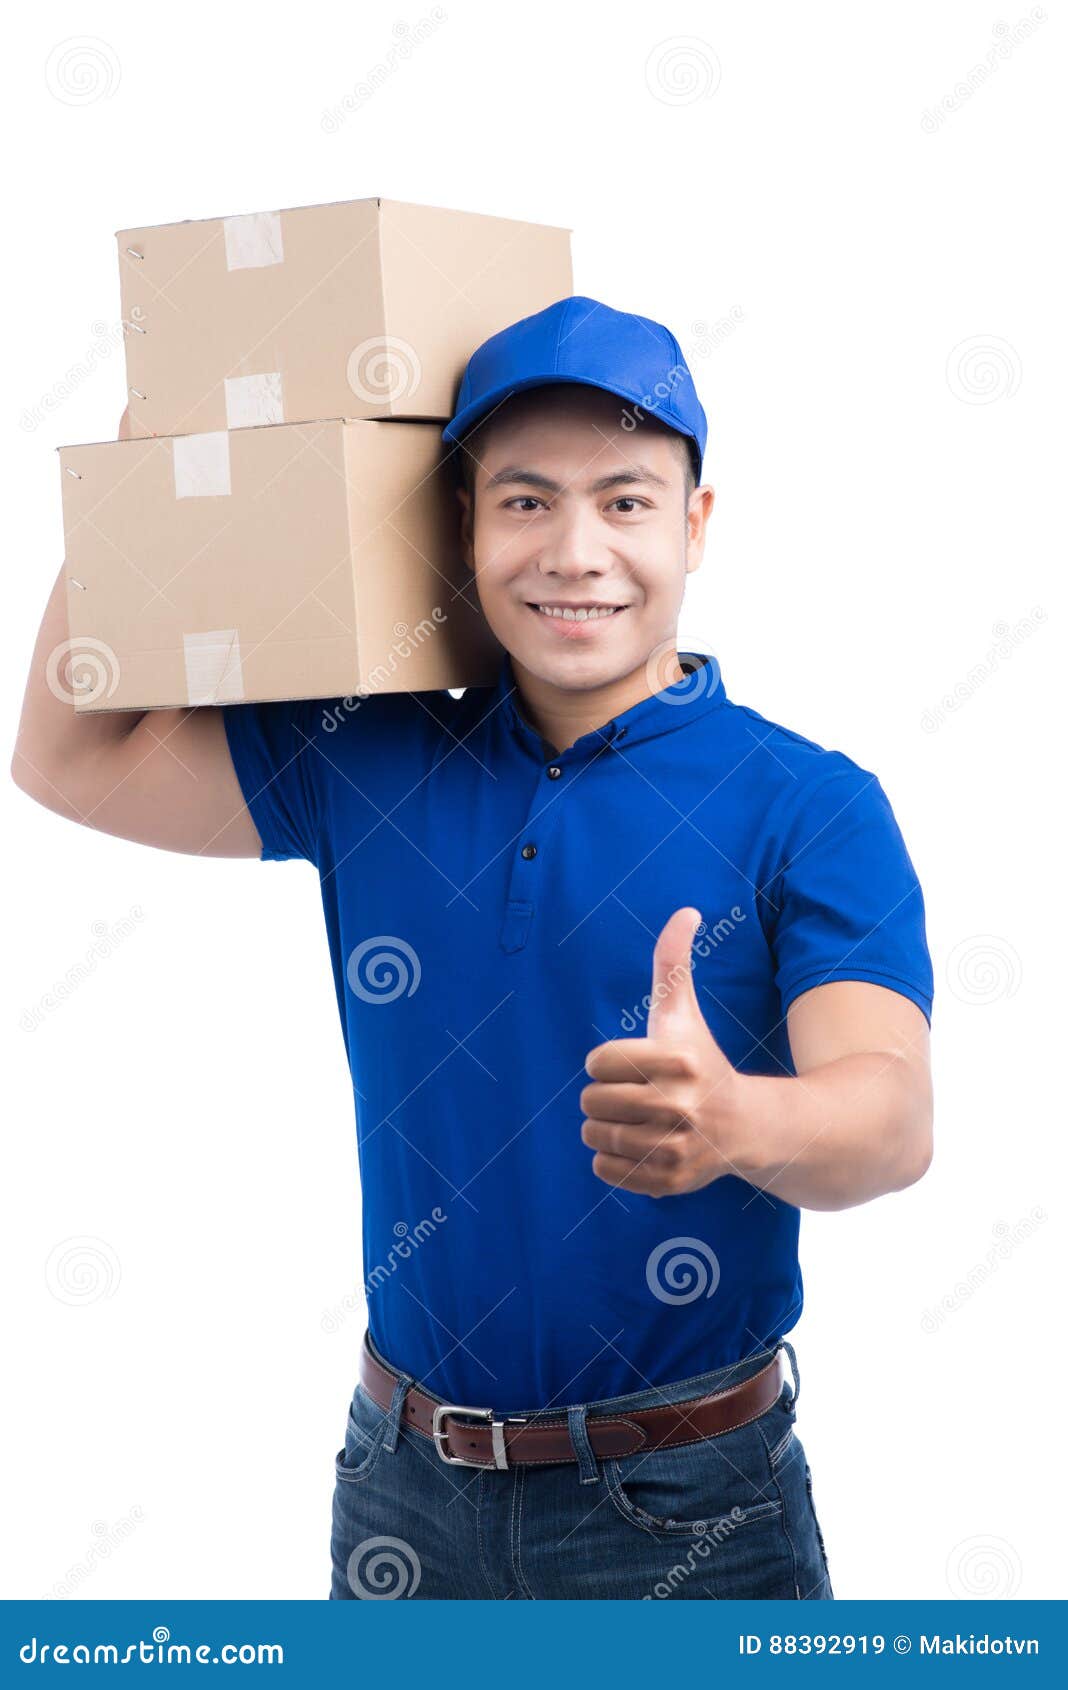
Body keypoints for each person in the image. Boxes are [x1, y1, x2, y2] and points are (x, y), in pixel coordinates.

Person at [12, 295, 933, 1601]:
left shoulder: (808, 806)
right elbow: (65, 758)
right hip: (402, 1489)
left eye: (624, 501)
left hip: (685, 1515)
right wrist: (138, 487)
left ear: (696, 524)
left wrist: (736, 1117)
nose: (575, 551)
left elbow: (890, 1116)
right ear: (463, 526)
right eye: (523, 501)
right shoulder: (368, 751)